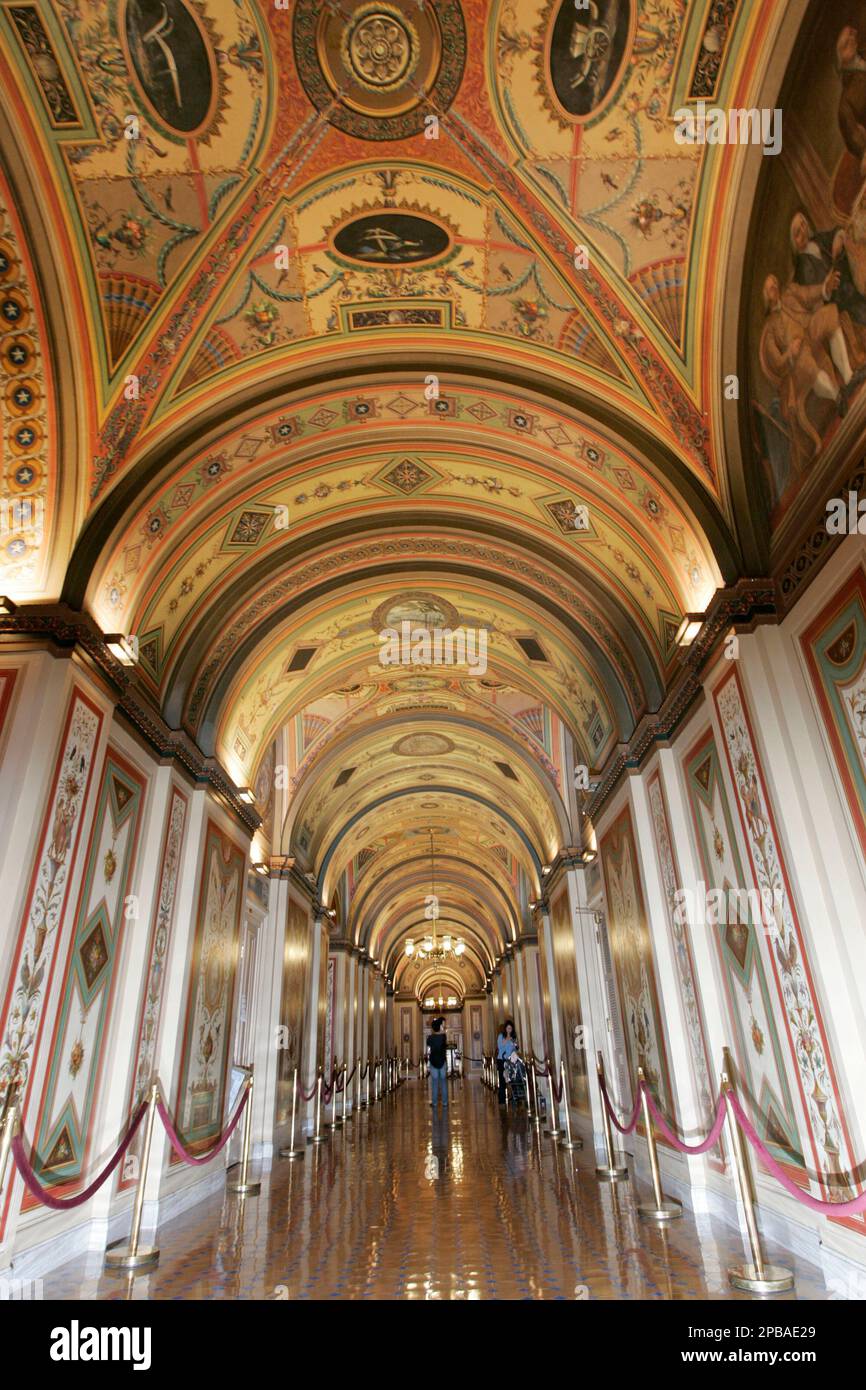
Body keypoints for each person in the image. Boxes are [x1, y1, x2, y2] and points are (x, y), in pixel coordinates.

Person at [496, 1020, 519, 1106]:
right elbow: (500, 1046)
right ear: (505, 1029)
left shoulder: (513, 1037)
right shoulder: (501, 1036)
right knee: (502, 1080)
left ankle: (514, 1097)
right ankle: (501, 1100)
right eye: (508, 1028)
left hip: (510, 1060)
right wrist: (506, 1039)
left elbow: (515, 1048)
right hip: (501, 1060)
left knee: (512, 1078)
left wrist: (515, 1045)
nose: (509, 1030)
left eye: (511, 1028)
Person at [427, 1016, 448, 1109]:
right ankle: (445, 1102)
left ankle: (434, 1103)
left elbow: (428, 1043)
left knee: (434, 1083)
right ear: (439, 1026)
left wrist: (434, 1030)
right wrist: (442, 1028)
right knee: (443, 1083)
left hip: (433, 1062)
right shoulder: (443, 1037)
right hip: (442, 1061)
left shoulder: (430, 1038)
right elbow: (443, 1034)